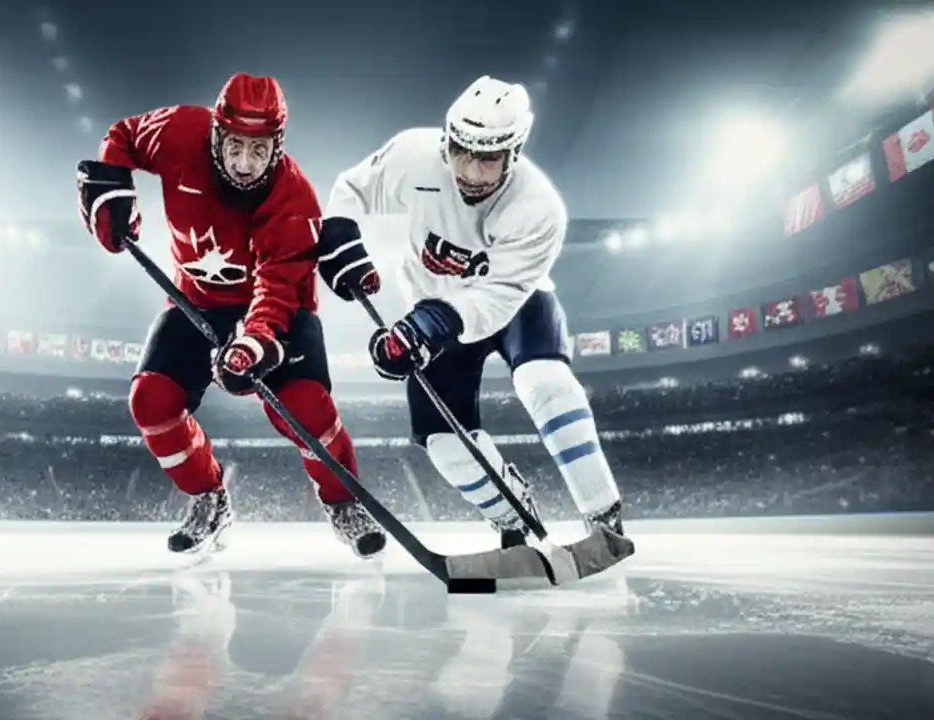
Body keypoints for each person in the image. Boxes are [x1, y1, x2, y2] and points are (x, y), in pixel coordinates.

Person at [77, 72, 385, 558]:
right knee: (150, 400)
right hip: (196, 300)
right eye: (235, 146)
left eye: (259, 150)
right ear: (215, 132)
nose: (244, 164)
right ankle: (209, 498)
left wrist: (253, 343)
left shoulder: (294, 200)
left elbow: (277, 290)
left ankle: (343, 499)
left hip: (279, 310)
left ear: (277, 147)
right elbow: (123, 136)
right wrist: (111, 186)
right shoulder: (178, 130)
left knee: (307, 407)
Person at [321, 76, 625, 548]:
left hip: (515, 301)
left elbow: (497, 297)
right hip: (430, 309)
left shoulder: (540, 208)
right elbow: (352, 189)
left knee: (546, 383)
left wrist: (428, 325)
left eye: (487, 159)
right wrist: (340, 235)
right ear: (447, 139)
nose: (469, 170)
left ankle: (602, 512)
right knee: (442, 441)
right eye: (460, 150)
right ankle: (512, 517)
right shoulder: (413, 155)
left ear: (513, 153)